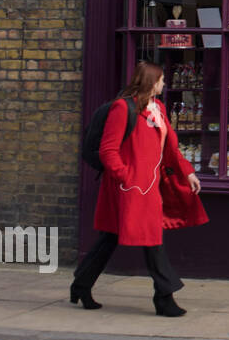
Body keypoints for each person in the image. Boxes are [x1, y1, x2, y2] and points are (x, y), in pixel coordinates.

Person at [71, 60, 207, 316]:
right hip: (129, 189)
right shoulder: (123, 108)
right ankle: (164, 297)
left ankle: (81, 284)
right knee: (152, 239)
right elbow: (108, 150)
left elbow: (171, 149)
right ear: (151, 82)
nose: (164, 84)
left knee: (111, 239)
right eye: (162, 80)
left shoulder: (159, 109)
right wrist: (126, 177)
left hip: (151, 186)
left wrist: (188, 172)